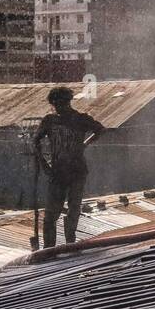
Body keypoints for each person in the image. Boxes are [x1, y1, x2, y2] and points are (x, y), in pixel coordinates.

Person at [33, 86, 106, 248]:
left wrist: (84, 145)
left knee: (73, 210)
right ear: (53, 104)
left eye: (62, 103)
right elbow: (35, 141)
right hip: (58, 172)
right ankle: (49, 249)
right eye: (56, 104)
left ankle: (69, 244)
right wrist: (44, 164)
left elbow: (100, 130)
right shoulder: (50, 121)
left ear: (68, 102)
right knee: (52, 214)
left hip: (76, 171)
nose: (59, 107)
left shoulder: (79, 119)